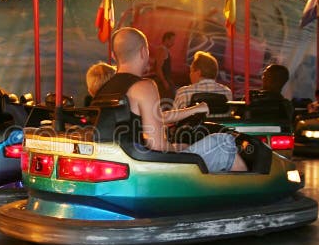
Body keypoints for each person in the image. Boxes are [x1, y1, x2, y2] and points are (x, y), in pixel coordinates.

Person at [91, 27, 247, 172]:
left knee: (188, 146)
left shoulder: (104, 90)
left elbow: (153, 120)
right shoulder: (144, 86)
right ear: (144, 52)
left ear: (113, 56)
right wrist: (176, 148)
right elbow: (158, 146)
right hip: (149, 167)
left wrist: (192, 116)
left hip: (123, 161)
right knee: (224, 141)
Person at [152, 31, 176, 102]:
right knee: (166, 101)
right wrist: (164, 81)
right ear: (166, 39)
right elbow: (158, 68)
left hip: (165, 80)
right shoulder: (162, 50)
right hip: (162, 82)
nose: (173, 43)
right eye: (172, 40)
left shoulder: (164, 50)